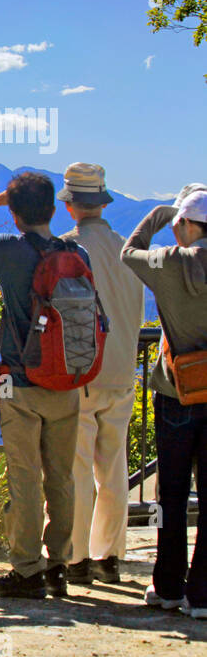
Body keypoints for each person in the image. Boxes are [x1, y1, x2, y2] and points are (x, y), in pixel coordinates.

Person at [0, 172, 88, 599]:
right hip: (67, 382)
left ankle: (27, 569)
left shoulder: (9, 250)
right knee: (61, 477)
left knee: (25, 477)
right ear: (52, 210)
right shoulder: (75, 251)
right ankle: (58, 565)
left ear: (14, 215)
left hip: (20, 383)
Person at [121, 187, 207, 619]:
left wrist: (156, 216)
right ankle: (203, 594)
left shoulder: (170, 261)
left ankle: (169, 585)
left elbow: (129, 252)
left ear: (188, 224)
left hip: (177, 392)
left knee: (170, 492)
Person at [58, 163, 144, 585]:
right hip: (123, 371)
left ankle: (75, 558)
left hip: (82, 374)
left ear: (71, 206)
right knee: (112, 468)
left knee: (76, 467)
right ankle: (109, 554)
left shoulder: (67, 249)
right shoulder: (128, 251)